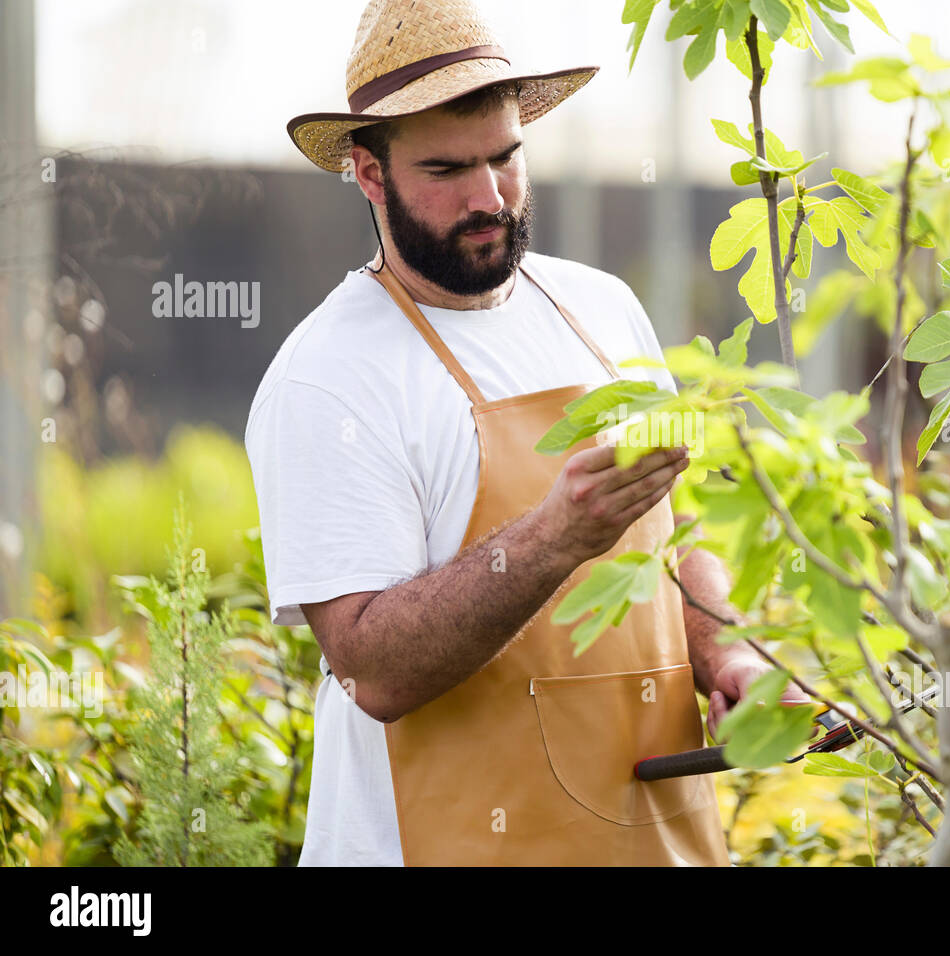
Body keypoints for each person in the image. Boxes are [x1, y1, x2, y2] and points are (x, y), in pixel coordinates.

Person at [247, 0, 808, 866]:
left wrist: (729, 653)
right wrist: (555, 537)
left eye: (505, 157)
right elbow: (368, 667)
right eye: (446, 169)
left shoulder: (603, 310)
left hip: (653, 843)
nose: (488, 198)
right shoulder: (330, 376)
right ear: (368, 174)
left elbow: (677, 531)